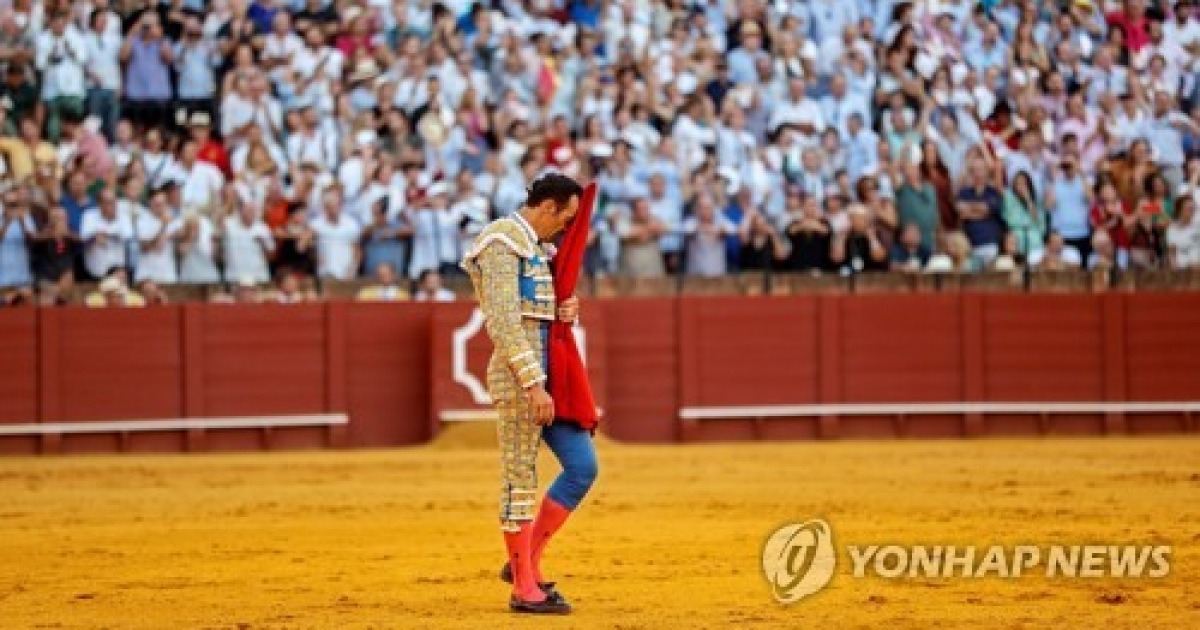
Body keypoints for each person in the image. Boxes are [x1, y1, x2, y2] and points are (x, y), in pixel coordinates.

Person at [460, 173, 595, 615]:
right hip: (521, 381)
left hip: (551, 377)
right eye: (566, 218)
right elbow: (503, 322)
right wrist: (533, 385)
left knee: (582, 467)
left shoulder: (537, 249)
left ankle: (524, 561)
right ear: (548, 207)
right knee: (520, 477)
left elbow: (537, 313)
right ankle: (523, 588)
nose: (566, 228)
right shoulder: (501, 242)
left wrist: (564, 310)